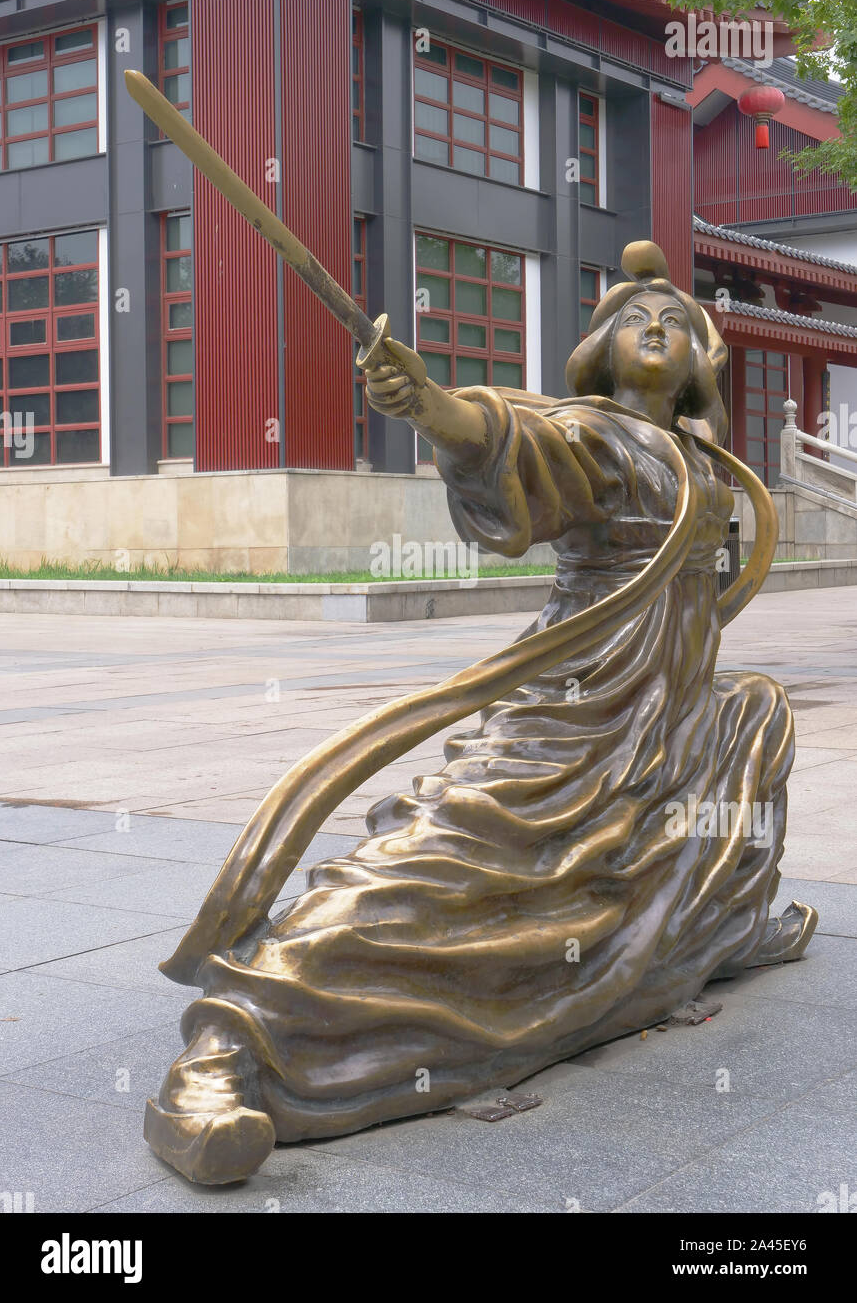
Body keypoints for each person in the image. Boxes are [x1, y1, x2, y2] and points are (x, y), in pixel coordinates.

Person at [144, 241, 817, 1185]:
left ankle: (717, 926)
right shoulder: (589, 432)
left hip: (672, 719)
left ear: (706, 361)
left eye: (674, 319)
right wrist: (434, 408)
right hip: (581, 708)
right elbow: (509, 439)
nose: (654, 325)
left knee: (758, 716)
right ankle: (225, 1051)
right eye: (631, 317)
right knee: (452, 856)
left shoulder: (702, 461)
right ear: (599, 354)